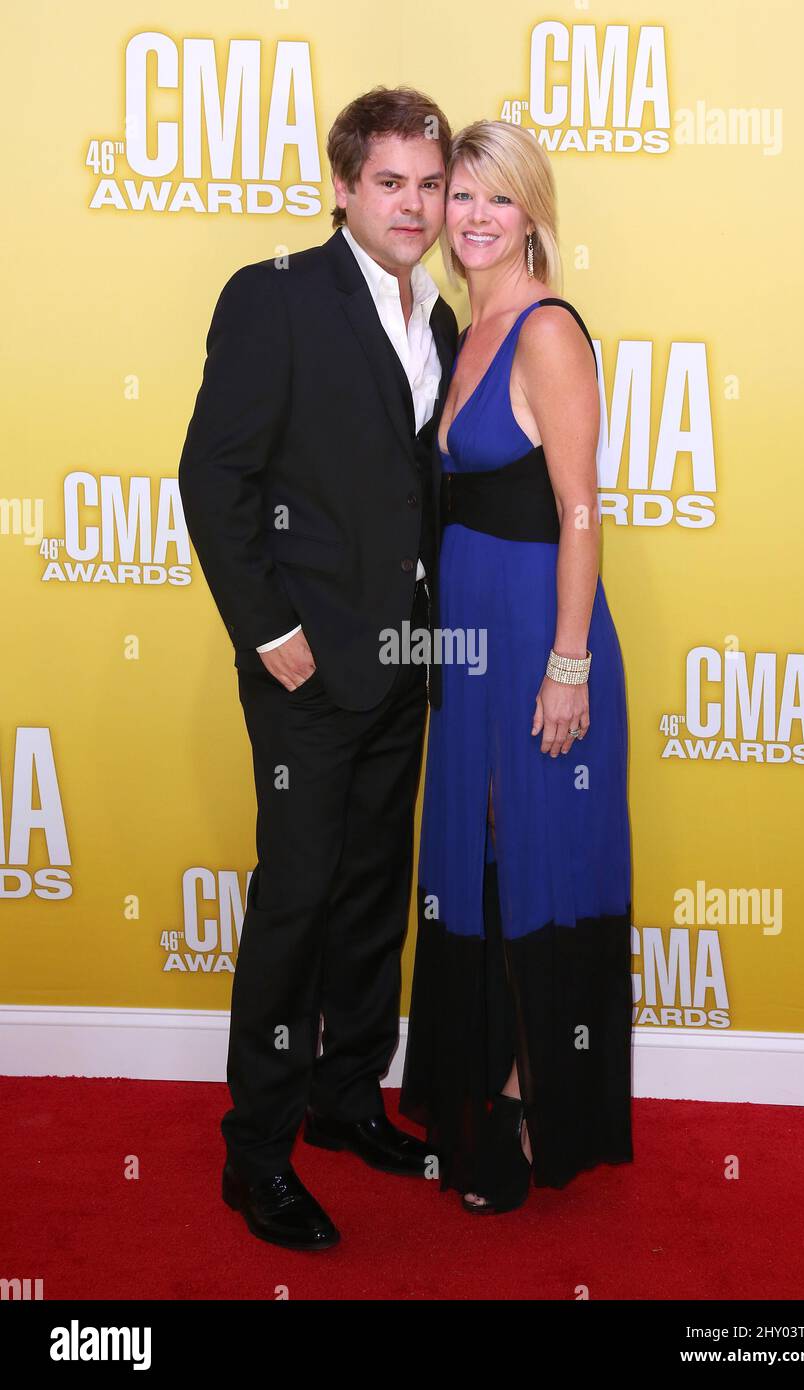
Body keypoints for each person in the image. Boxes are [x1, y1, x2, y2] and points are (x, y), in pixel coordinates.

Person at [178, 87, 458, 1250]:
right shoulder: (274, 296)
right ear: (343, 185)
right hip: (304, 667)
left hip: (402, 660)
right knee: (293, 908)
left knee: (368, 900)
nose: (414, 204)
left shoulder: (440, 317)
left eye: (431, 184)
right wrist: (270, 632)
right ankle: (257, 1157)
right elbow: (213, 478)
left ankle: (348, 1102)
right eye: (389, 181)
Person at [399, 120, 634, 1214]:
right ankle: (484, 1088)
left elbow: (581, 510)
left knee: (535, 864)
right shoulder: (462, 324)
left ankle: (532, 1106)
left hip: (543, 640)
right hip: (470, 644)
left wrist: (570, 664)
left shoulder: (545, 331)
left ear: (532, 212)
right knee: (478, 859)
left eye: (499, 199)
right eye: (462, 197)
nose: (476, 217)